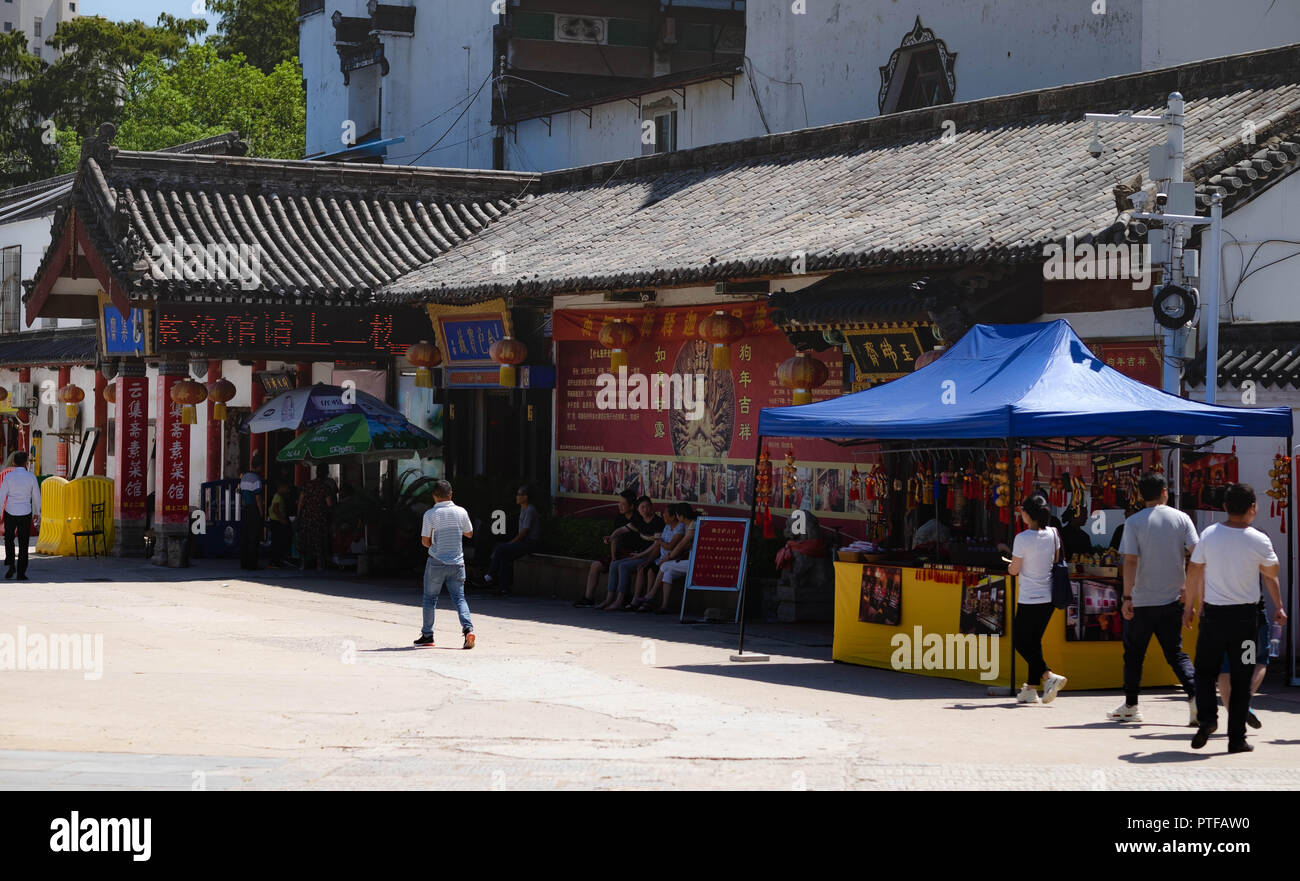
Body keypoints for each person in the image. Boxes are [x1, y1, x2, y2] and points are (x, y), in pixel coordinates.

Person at [1184, 483, 1286, 753]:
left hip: (1213, 618)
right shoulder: (1259, 539)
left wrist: (1189, 607)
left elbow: (1194, 570)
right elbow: (1271, 570)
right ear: (1253, 507)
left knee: (1205, 672)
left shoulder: (1209, 534)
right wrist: (1278, 605)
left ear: (1225, 507)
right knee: (1243, 677)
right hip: (1246, 620)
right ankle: (1237, 739)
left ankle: (1207, 719)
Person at [1107, 472, 1198, 724]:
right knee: (1176, 653)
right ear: (1164, 492)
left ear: (1141, 495)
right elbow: (1197, 555)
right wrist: (1187, 589)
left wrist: (1127, 596)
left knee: (1135, 654)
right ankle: (1195, 696)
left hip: (1142, 600)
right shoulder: (1182, 519)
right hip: (1172, 598)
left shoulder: (1134, 522)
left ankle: (1132, 705)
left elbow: (1130, 561)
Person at [999, 494, 1068, 704]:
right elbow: (1056, 561)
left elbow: (1014, 570)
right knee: (1034, 641)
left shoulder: (1022, 538)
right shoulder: (1054, 534)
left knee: (1020, 642)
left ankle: (1048, 676)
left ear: (1029, 514)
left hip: (1030, 597)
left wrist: (1008, 560)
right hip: (1049, 597)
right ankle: (1030, 688)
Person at [415, 479, 476, 649]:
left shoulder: (430, 515)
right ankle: (468, 630)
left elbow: (425, 542)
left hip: (436, 563)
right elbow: (469, 533)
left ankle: (427, 635)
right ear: (451, 494)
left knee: (430, 598)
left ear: (434, 496)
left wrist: (435, 539)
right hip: (457, 564)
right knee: (459, 598)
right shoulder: (461, 512)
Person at [598, 504, 682, 610]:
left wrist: (647, 555)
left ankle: (625, 600)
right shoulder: (647, 523)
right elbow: (621, 530)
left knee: (631, 567)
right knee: (614, 564)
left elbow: (665, 546)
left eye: (646, 506)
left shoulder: (660, 523)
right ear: (637, 509)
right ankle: (610, 598)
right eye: (642, 507)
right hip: (647, 556)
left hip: (657, 558)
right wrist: (611, 537)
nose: (663, 515)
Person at [575, 491, 636, 607]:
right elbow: (615, 537)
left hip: (632, 554)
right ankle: (588, 598)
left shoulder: (637, 518)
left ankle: (619, 599)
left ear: (632, 506)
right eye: (619, 503)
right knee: (595, 565)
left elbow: (619, 532)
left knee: (620, 566)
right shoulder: (619, 518)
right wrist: (613, 556)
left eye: (623, 504)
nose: (620, 506)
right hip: (618, 553)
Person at [483, 485, 542, 595]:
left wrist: (512, 542)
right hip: (524, 542)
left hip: (530, 542)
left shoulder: (530, 510)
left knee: (501, 548)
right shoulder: (523, 509)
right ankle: (503, 587)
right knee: (505, 556)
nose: (517, 497)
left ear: (526, 497)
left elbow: (524, 532)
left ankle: (490, 574)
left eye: (519, 494)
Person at [642, 506, 700, 614]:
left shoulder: (693, 525)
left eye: (678, 515)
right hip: (688, 559)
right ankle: (664, 605)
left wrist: (667, 558)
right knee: (668, 572)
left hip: (697, 562)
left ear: (681, 516)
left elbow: (681, 545)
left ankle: (651, 594)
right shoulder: (687, 525)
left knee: (665, 566)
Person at [0, 451, 40, 581]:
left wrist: (0, 512)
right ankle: (21, 573)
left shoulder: (8, 477)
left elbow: (1, 496)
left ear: (13, 462)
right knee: (24, 543)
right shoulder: (31, 477)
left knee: (9, 539)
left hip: (10, 512)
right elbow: (36, 497)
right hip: (25, 513)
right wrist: (36, 512)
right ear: (26, 463)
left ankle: (11, 564)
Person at [296, 467, 334, 570]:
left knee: (305, 540)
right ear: (326, 474)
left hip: (306, 517)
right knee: (319, 541)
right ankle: (319, 565)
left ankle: (303, 564)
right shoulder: (325, 487)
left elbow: (300, 501)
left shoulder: (307, 485)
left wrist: (299, 515)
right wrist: (331, 514)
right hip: (319, 518)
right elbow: (329, 503)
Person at [238, 453, 264, 571]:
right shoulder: (256, 479)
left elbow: (241, 492)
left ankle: (244, 563)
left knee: (245, 536)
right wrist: (261, 512)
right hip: (253, 509)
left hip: (245, 509)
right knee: (254, 538)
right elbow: (258, 498)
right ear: (259, 467)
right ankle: (252, 564)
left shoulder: (244, 477)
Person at [266, 479, 292, 568]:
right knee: (277, 542)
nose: (288, 490)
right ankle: (275, 561)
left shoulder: (279, 496)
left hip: (276, 521)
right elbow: (275, 509)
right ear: (281, 488)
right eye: (286, 488)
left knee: (278, 542)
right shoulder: (278, 496)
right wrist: (282, 519)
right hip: (277, 522)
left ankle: (277, 560)